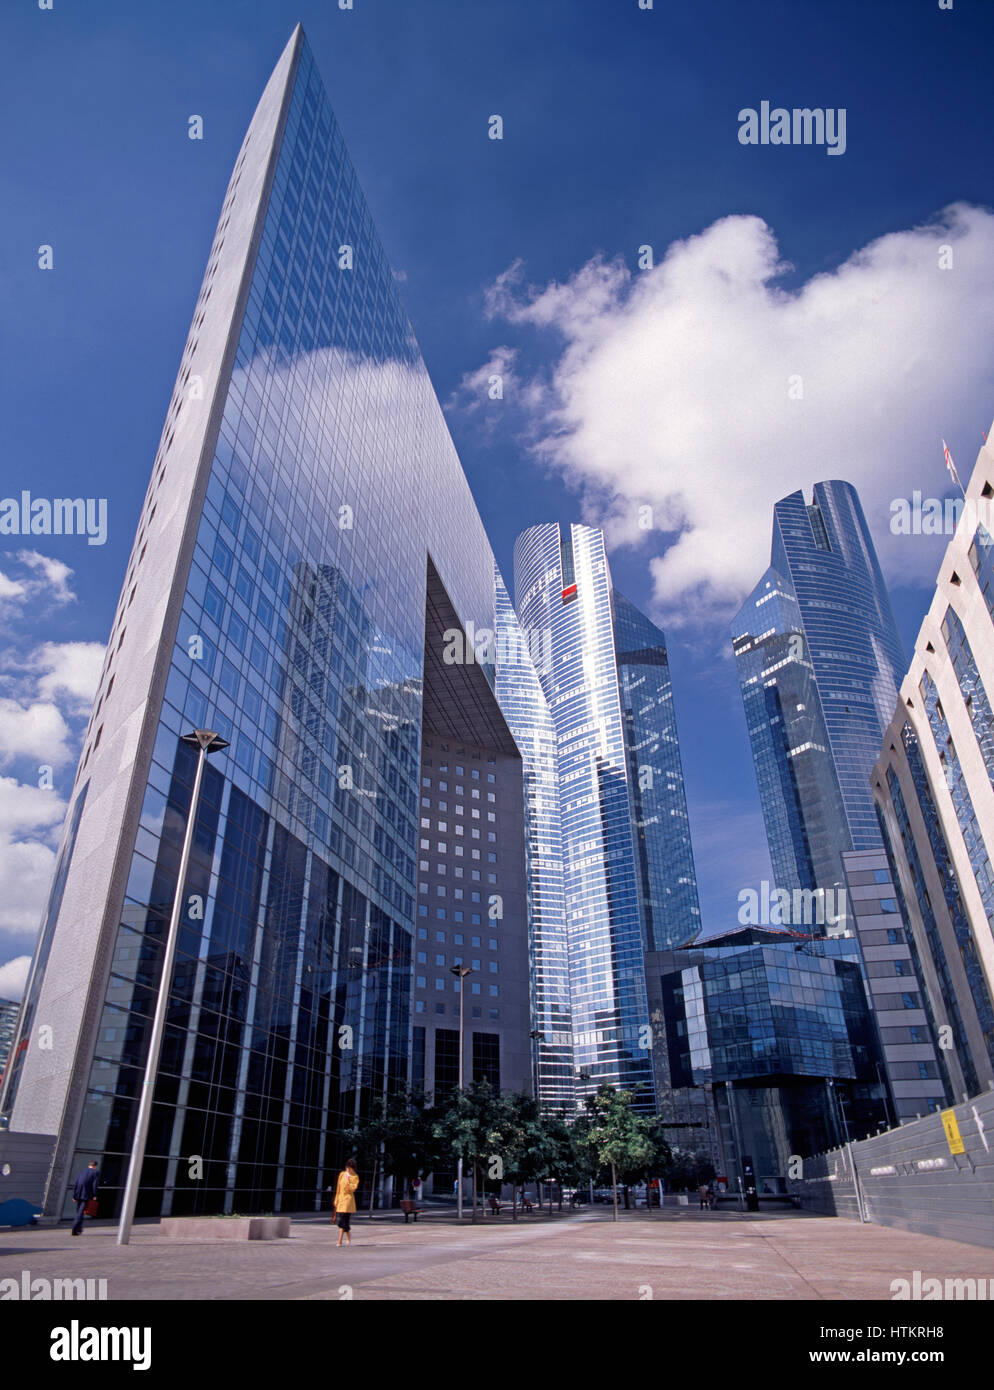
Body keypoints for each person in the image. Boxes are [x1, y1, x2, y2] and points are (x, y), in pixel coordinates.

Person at [333, 1159, 360, 1247]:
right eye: (347, 1168)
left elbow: (352, 1189)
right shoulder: (342, 1174)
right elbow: (338, 1187)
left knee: (342, 1220)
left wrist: (348, 1180)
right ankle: (348, 1237)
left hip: (348, 1201)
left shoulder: (355, 1177)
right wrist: (336, 1199)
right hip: (341, 1199)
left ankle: (339, 1240)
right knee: (345, 1221)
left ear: (353, 1169)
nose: (348, 1170)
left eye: (350, 1168)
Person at [71, 1161, 100, 1236]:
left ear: (89, 1165)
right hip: (86, 1195)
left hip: (79, 1194)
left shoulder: (81, 1172)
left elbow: (77, 1183)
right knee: (81, 1213)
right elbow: (94, 1184)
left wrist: (74, 1196)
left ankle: (78, 1229)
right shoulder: (95, 1173)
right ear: (95, 1166)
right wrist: (95, 1195)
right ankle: (75, 1228)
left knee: (79, 1212)